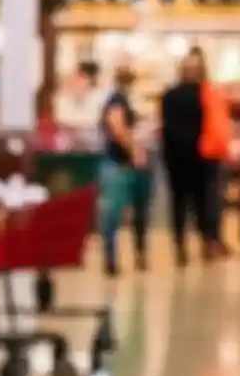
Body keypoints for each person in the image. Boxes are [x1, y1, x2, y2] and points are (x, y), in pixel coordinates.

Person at [160, 47, 232, 267]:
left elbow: (167, 128)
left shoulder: (172, 95)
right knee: (201, 202)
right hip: (200, 157)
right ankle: (202, 243)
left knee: (184, 203)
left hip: (183, 158)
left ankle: (186, 245)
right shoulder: (207, 93)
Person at [98, 64, 150, 277]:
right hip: (118, 164)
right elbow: (117, 126)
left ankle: (115, 258)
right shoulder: (117, 100)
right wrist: (135, 149)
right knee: (115, 214)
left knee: (117, 213)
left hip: (117, 163)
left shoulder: (119, 99)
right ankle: (112, 259)